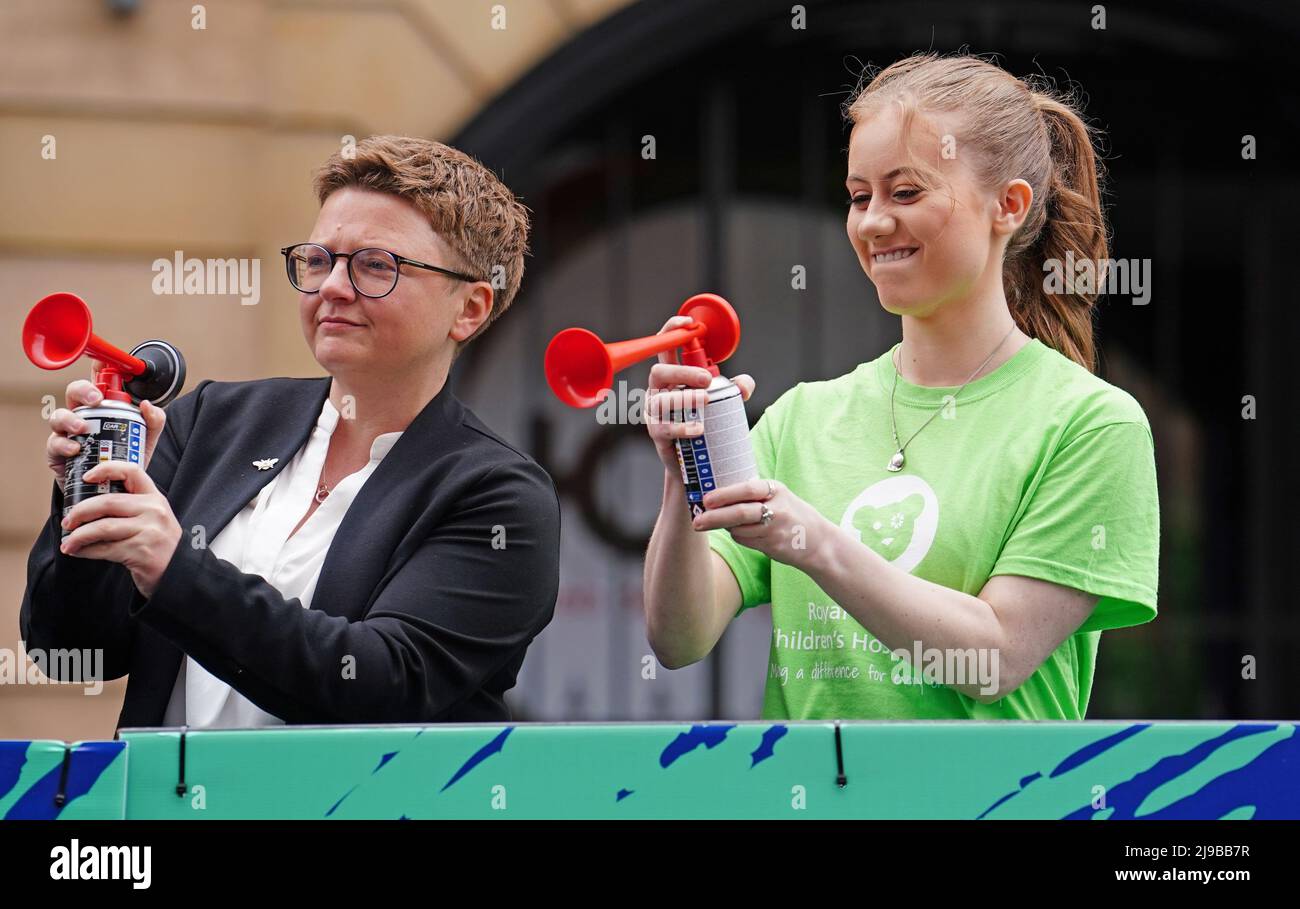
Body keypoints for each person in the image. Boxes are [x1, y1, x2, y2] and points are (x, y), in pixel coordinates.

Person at [642, 53, 1159, 720]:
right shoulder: (804, 415)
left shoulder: (1091, 424)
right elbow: (680, 637)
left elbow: (993, 659)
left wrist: (813, 540)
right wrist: (683, 473)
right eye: (859, 197)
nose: (873, 222)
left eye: (905, 192)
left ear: (1008, 205)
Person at [21, 135, 560, 730]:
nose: (331, 286)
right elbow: (70, 652)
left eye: (375, 265)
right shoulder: (213, 420)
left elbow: (383, 683)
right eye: (318, 260)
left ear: (471, 309)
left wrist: (174, 567)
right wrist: (92, 492)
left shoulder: (499, 494)